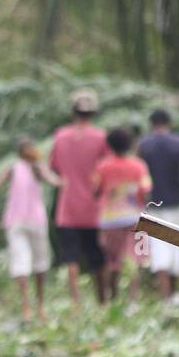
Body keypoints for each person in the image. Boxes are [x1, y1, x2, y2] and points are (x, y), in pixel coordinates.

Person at [0, 136, 61, 321]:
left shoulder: (38, 167)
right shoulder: (15, 167)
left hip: (33, 221)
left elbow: (52, 180)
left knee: (39, 263)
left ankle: (37, 305)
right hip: (18, 221)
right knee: (23, 264)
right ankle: (28, 306)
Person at [49, 89, 108, 305]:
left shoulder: (61, 136)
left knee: (71, 257)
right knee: (96, 256)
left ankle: (75, 303)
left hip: (68, 208)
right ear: (93, 112)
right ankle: (102, 300)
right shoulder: (101, 137)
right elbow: (105, 170)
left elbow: (53, 168)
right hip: (94, 208)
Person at [137, 109, 179, 301]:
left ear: (152, 124)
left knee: (158, 246)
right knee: (176, 244)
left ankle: (165, 296)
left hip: (153, 203)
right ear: (169, 123)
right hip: (176, 201)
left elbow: (139, 177)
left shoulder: (143, 145)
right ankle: (174, 293)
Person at [91, 127, 152, 302]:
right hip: (134, 218)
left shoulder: (102, 166)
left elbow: (95, 191)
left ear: (109, 145)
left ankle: (114, 298)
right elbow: (146, 191)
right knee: (134, 259)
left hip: (109, 219)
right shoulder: (139, 166)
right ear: (130, 144)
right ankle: (133, 300)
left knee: (112, 261)